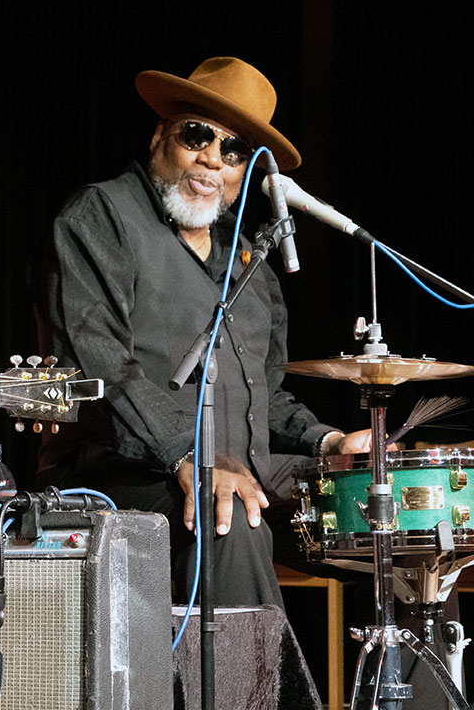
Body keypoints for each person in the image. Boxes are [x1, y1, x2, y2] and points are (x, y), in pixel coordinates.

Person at [30, 56, 370, 607]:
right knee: (228, 513)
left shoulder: (247, 263)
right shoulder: (100, 217)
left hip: (245, 469)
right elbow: (98, 370)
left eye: (233, 150)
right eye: (197, 136)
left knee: (390, 521)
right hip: (120, 475)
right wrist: (188, 456)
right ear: (160, 137)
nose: (212, 159)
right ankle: (257, 692)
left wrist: (329, 444)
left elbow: (269, 398)